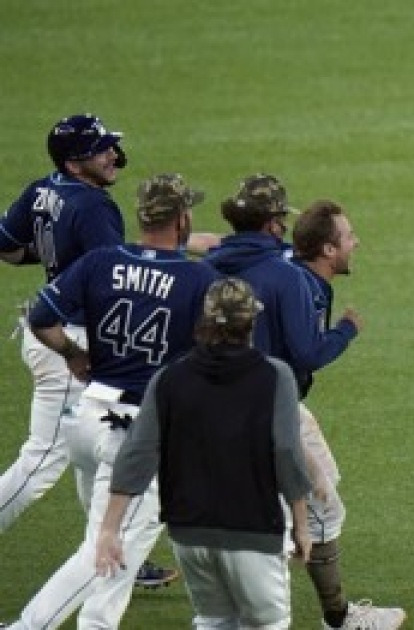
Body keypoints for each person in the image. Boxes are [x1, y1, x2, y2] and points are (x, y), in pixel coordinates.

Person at [9, 174, 220, 629]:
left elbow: (41, 318)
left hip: (87, 418)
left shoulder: (101, 260)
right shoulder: (199, 278)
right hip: (136, 434)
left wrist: (73, 354)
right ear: (182, 219)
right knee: (103, 548)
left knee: (115, 545)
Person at [205, 175, 405, 630]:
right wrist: (346, 330)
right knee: (313, 508)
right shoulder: (287, 276)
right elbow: (308, 353)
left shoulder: (219, 261)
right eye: (349, 237)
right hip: (266, 409)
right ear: (274, 224)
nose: (356, 242)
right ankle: (329, 617)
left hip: (222, 400)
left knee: (320, 491)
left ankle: (331, 612)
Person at [0, 113, 179, 590]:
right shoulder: (95, 207)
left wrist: (53, 253)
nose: (112, 155)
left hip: (55, 330)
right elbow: (115, 278)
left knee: (94, 451)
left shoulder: (43, 189)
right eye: (101, 150)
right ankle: (109, 552)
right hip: (68, 342)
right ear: (75, 163)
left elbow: (7, 247)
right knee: (41, 463)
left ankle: (110, 553)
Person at [95, 277, 313, 629]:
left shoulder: (169, 378)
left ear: (205, 321)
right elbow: (286, 452)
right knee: (267, 623)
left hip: (189, 531)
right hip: (253, 528)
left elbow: (137, 453)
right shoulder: (276, 376)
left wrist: (109, 529)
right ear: (251, 322)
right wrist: (302, 525)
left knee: (213, 621)